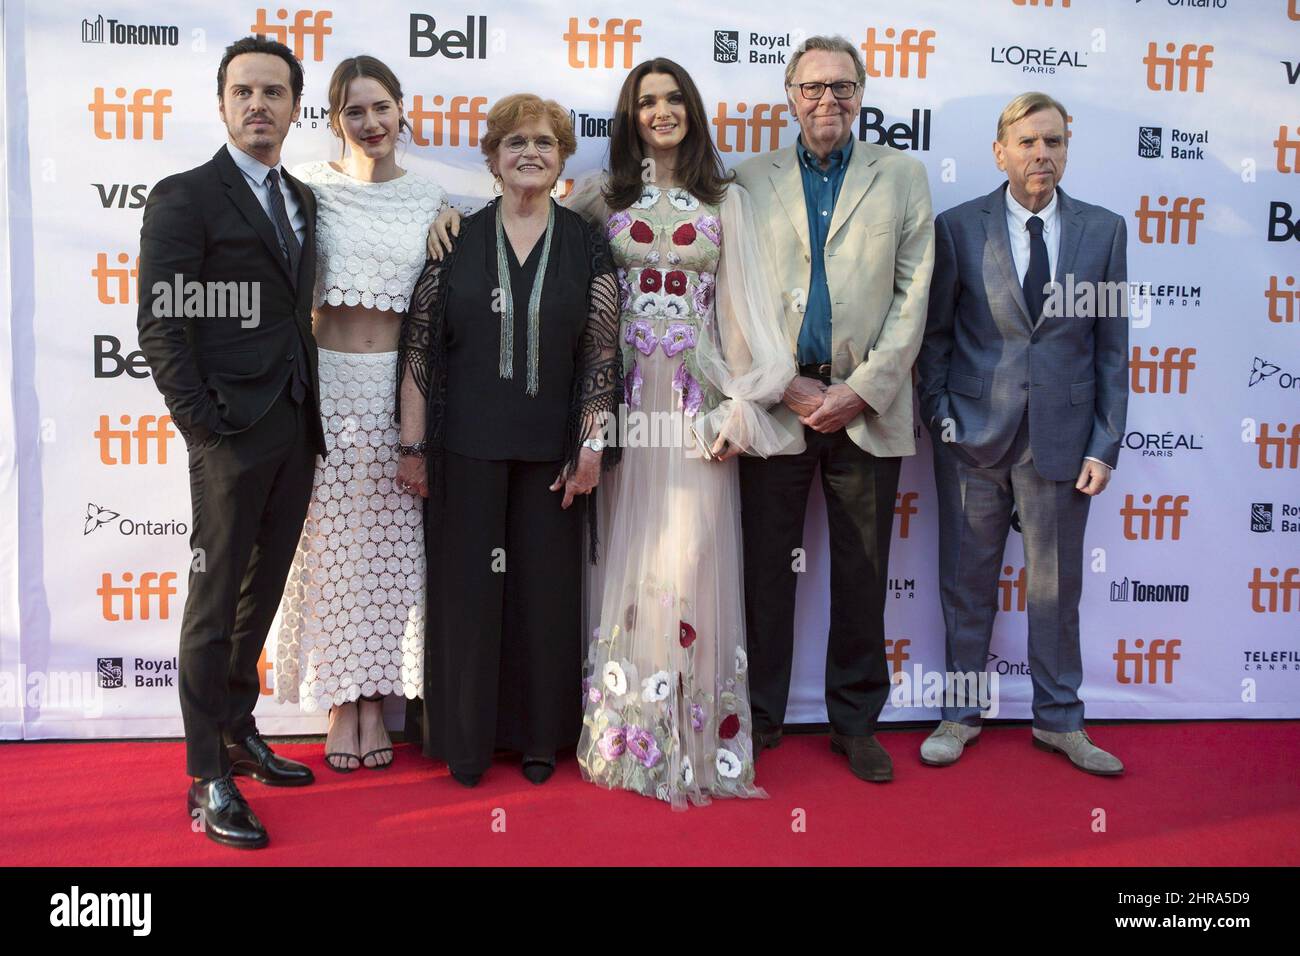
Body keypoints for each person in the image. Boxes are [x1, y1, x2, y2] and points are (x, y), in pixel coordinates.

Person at [560, 59, 797, 808]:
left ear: (691, 109)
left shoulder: (726, 199)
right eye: (645, 102)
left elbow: (743, 313)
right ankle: (626, 735)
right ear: (629, 116)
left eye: (672, 100)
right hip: (623, 403)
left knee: (689, 557)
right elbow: (540, 252)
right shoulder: (601, 196)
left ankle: (692, 737)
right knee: (624, 559)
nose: (660, 112)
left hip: (693, 403)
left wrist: (740, 405)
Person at [397, 94, 621, 788]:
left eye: (546, 143)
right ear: (492, 159)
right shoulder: (456, 237)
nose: (531, 152)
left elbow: (602, 354)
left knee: (545, 595)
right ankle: (466, 741)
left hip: (553, 453)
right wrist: (412, 447)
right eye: (516, 142)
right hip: (464, 448)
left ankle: (537, 737)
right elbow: (421, 347)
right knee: (467, 596)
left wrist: (592, 447)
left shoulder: (587, 242)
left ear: (562, 160)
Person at [137, 36, 323, 849]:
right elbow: (162, 321)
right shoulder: (187, 196)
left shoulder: (303, 199)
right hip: (228, 435)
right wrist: (201, 427)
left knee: (262, 590)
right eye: (244, 91)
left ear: (293, 106)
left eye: (274, 92)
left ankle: (239, 731)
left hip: (293, 421)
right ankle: (206, 773)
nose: (259, 104)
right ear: (222, 104)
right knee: (214, 604)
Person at [733, 35, 934, 784]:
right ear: (790, 95)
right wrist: (783, 385)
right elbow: (734, 292)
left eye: (843, 87)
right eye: (814, 87)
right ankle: (757, 718)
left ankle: (855, 724)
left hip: (865, 408)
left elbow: (915, 294)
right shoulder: (751, 179)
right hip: (779, 403)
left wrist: (863, 389)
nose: (829, 101)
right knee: (765, 574)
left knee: (862, 571)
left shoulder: (901, 175)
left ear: (862, 94)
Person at [915, 92, 1129, 775]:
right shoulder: (957, 228)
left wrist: (1105, 442)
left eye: (1055, 142)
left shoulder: (1103, 231)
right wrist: (941, 421)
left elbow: (1112, 349)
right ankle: (959, 713)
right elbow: (937, 339)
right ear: (1000, 151)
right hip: (973, 438)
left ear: (1067, 149)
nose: (1043, 154)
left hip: (1063, 441)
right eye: (1029, 142)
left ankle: (1060, 721)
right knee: (965, 581)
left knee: (1056, 587)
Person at [271, 56, 448, 773]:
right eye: (354, 111)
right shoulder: (308, 189)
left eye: (381, 108)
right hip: (322, 388)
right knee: (333, 554)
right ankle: (340, 702)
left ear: (402, 110)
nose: (371, 123)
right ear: (334, 119)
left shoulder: (434, 200)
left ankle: (379, 702)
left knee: (393, 556)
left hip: (396, 393)